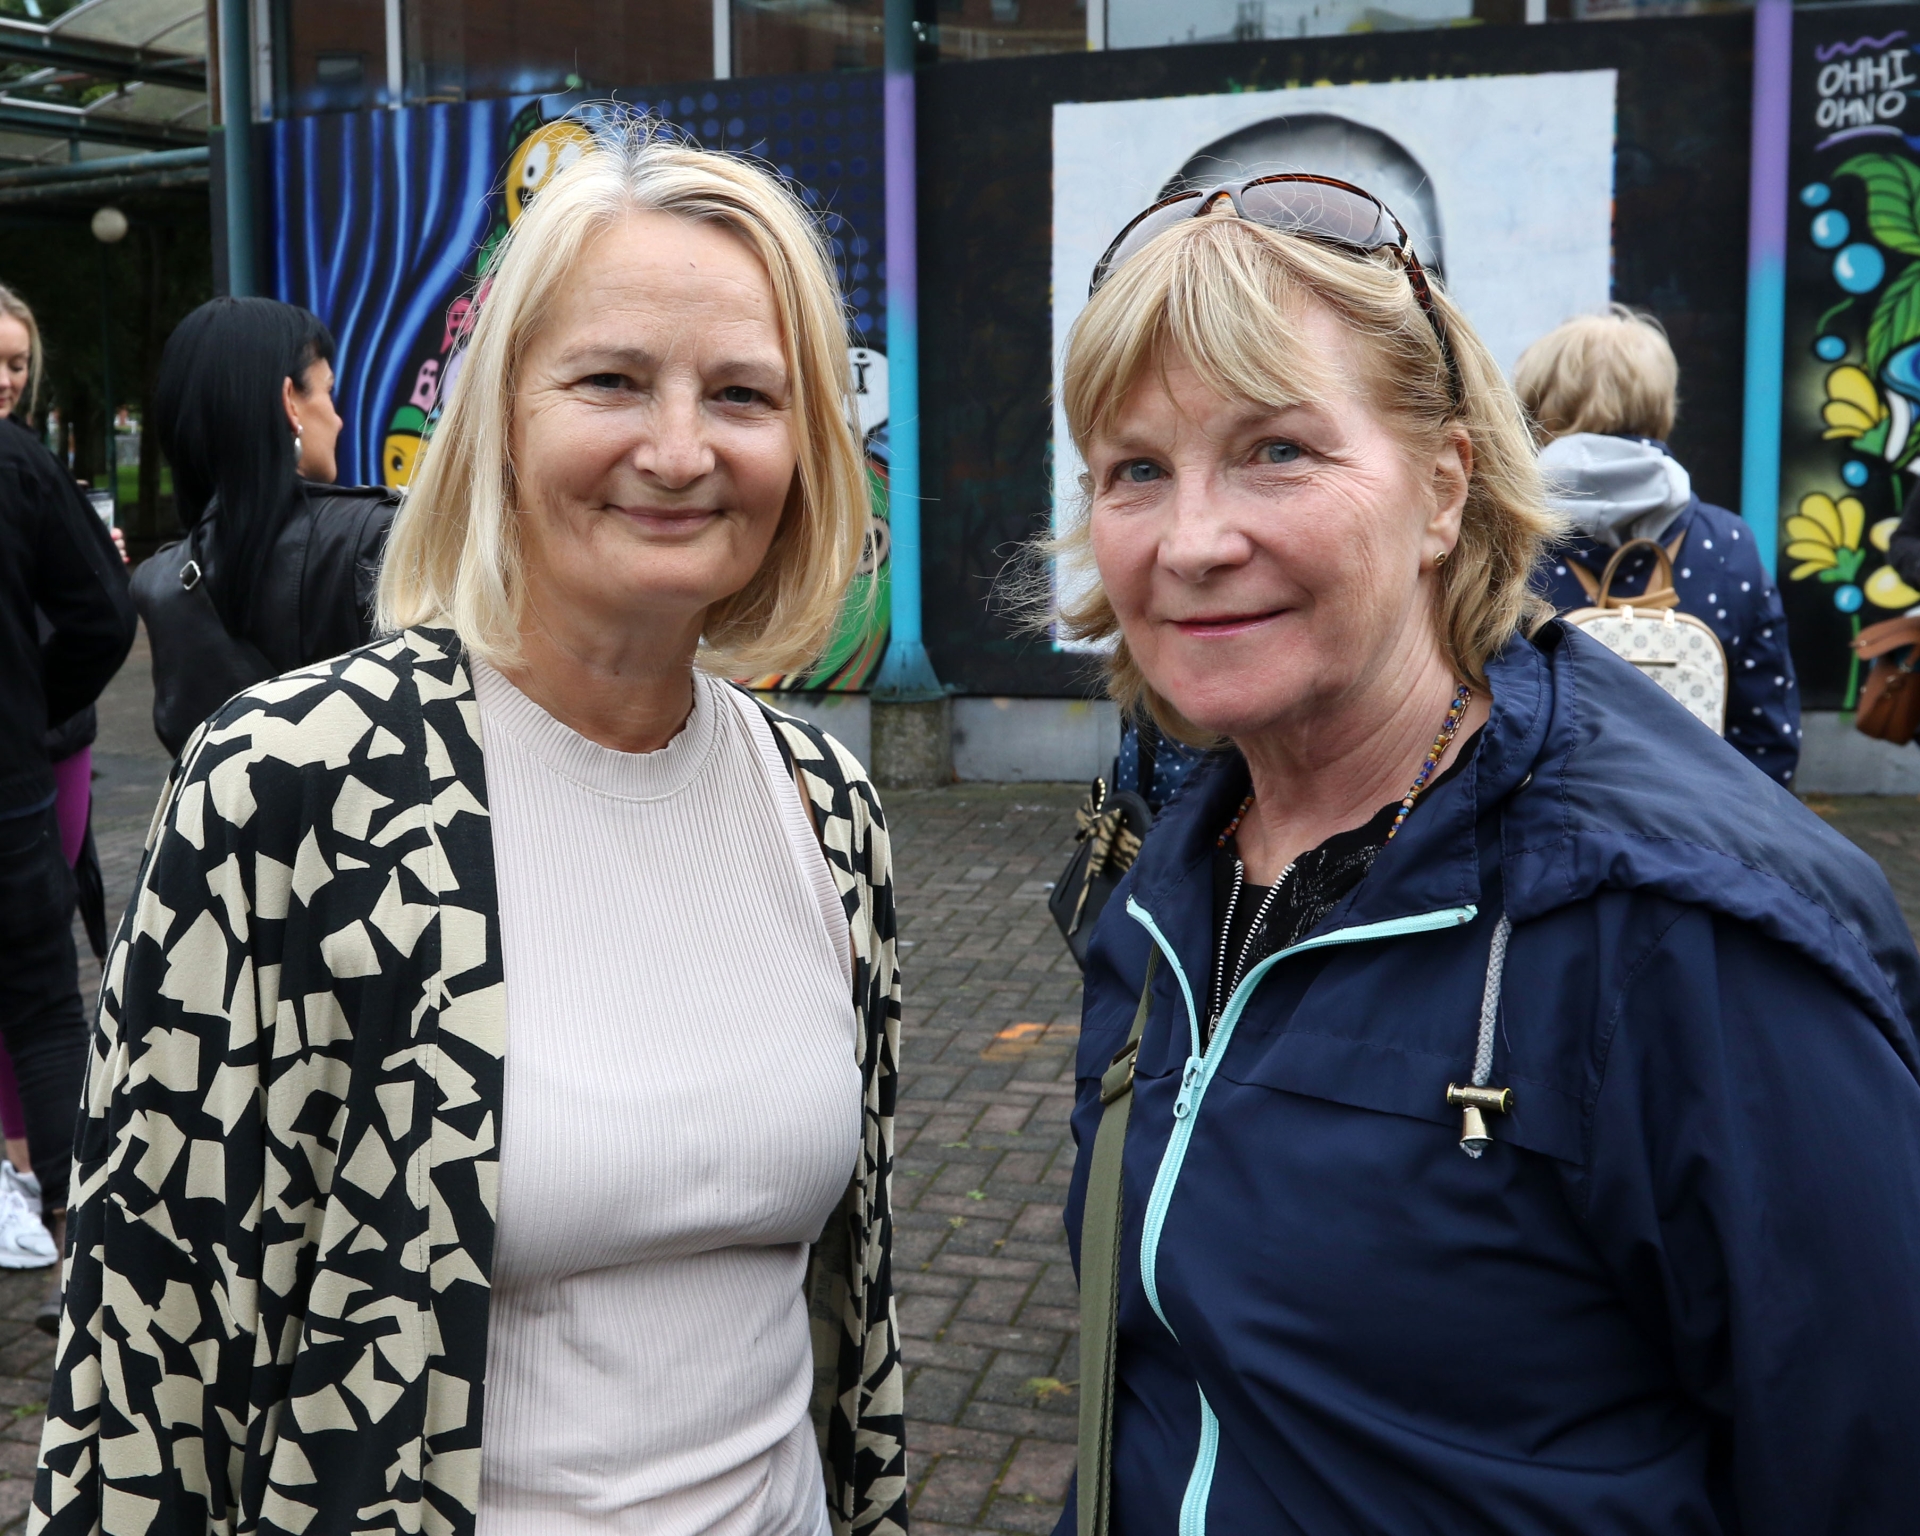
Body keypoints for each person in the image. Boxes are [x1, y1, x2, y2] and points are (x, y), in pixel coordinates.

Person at [36, 120, 907, 1536]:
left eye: (744, 393)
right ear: (501, 415)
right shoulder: (293, 788)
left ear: (806, 448)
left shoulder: (831, 812)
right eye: (612, 380)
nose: (679, 450)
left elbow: (843, 1326)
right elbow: (144, 1374)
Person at [1048, 177, 1920, 1533]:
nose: (1194, 540)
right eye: (1137, 470)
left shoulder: (1682, 933)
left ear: (1445, 486)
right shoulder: (1176, 868)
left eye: (1278, 450)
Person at [0, 281, 136, 1293]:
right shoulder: (20, 468)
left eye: (16, 362)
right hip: (7, 785)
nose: (8, 380)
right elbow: (101, 611)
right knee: (46, 1010)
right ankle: (72, 1236)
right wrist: (37, 708)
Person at [1518, 305, 1800, 785]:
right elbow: (1769, 738)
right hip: (1695, 833)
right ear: (1660, 407)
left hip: (1538, 842)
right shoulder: (1729, 542)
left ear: (1538, 408)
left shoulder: (1502, 536)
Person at [133, 296, 398, 754]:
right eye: (327, 391)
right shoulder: (377, 536)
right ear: (289, 403)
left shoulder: (158, 584)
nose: (336, 419)